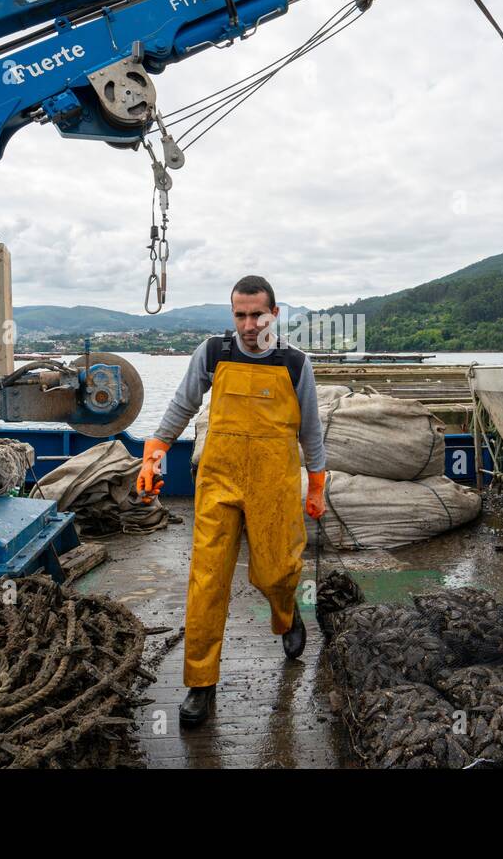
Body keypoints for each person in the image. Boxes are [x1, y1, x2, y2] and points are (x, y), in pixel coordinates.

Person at [137, 275, 327, 728]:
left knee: (278, 569)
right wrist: (155, 454)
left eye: (257, 314)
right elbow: (181, 407)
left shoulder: (295, 364)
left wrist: (316, 485)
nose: (247, 324)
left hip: (274, 483)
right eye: (240, 314)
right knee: (207, 578)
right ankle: (200, 682)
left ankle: (286, 616)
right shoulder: (212, 353)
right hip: (219, 481)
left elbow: (311, 432)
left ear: (275, 314)